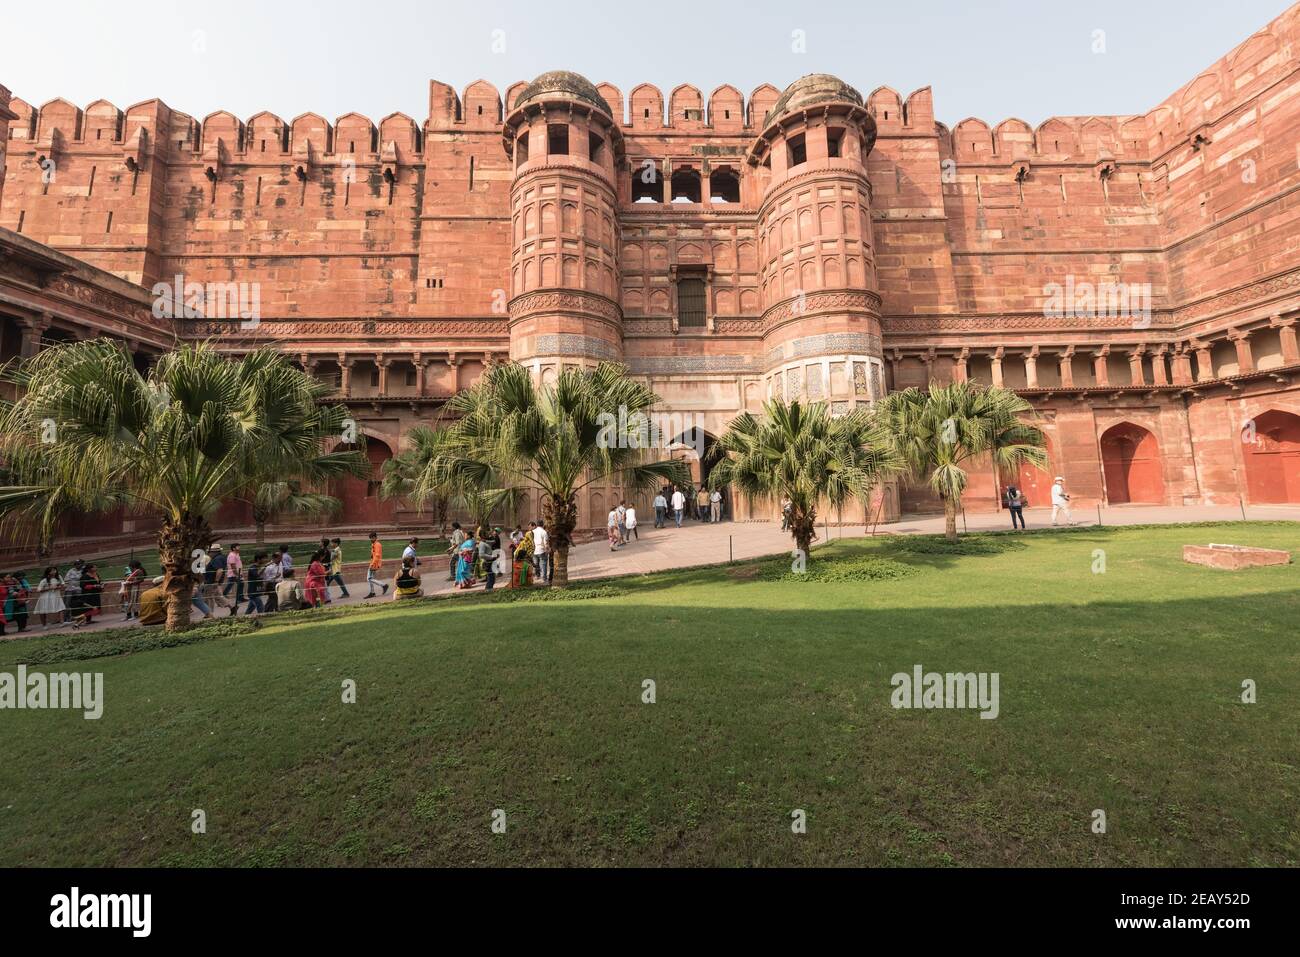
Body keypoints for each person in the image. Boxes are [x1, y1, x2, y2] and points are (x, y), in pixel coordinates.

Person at [71, 563, 103, 628]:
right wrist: (94, 586)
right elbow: (83, 586)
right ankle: (80, 620)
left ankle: (88, 620)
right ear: (89, 569)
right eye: (94, 567)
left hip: (95, 593)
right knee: (89, 607)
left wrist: (101, 585)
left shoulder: (96, 574)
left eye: (95, 567)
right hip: (88, 594)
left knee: (95, 606)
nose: (95, 568)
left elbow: (98, 582)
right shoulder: (84, 576)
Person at [222, 544, 244, 613]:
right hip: (234, 573)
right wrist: (237, 574)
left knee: (235, 584)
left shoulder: (236, 554)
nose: (239, 547)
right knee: (238, 584)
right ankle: (239, 598)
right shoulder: (232, 555)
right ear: (233, 548)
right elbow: (233, 565)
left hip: (237, 573)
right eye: (237, 546)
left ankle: (240, 598)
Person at [366, 532, 388, 598]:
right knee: (371, 578)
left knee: (369, 578)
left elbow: (377, 556)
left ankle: (383, 585)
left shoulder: (377, 544)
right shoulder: (374, 544)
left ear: (375, 537)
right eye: (370, 538)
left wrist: (372, 565)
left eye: (372, 538)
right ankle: (372, 592)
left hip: (374, 564)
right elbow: (374, 555)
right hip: (374, 563)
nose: (371, 539)